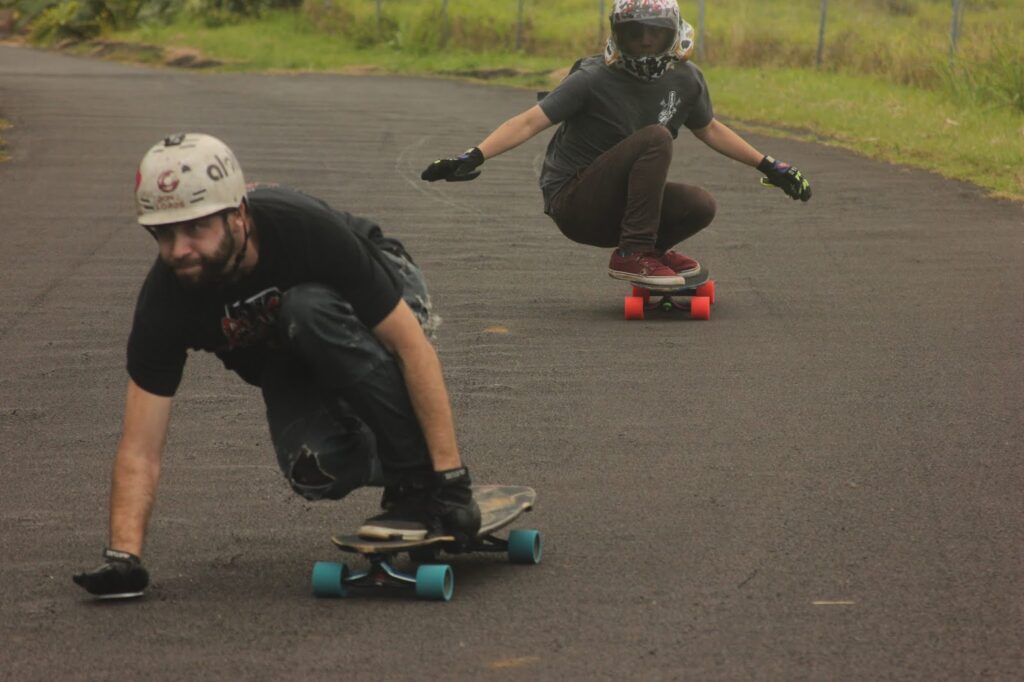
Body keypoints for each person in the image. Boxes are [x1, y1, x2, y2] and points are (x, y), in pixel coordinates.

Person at [73, 133, 480, 598]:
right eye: (163, 234)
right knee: (313, 470)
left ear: (239, 215)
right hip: (288, 351)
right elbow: (140, 445)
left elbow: (412, 349)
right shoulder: (166, 302)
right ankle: (403, 452)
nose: (179, 249)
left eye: (195, 229)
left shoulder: (300, 228)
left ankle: (416, 478)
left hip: (381, 293)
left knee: (307, 309)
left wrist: (450, 480)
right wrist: (125, 557)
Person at [422, 0, 811, 288]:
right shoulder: (591, 79)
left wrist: (769, 165)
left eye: (654, 32)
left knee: (700, 205)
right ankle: (633, 255)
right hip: (573, 201)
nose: (644, 41)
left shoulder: (686, 79)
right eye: (634, 32)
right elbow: (528, 122)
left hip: (618, 209)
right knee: (655, 138)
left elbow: (709, 128)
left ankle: (648, 251)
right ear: (615, 35)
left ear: (674, 33)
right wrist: (473, 155)